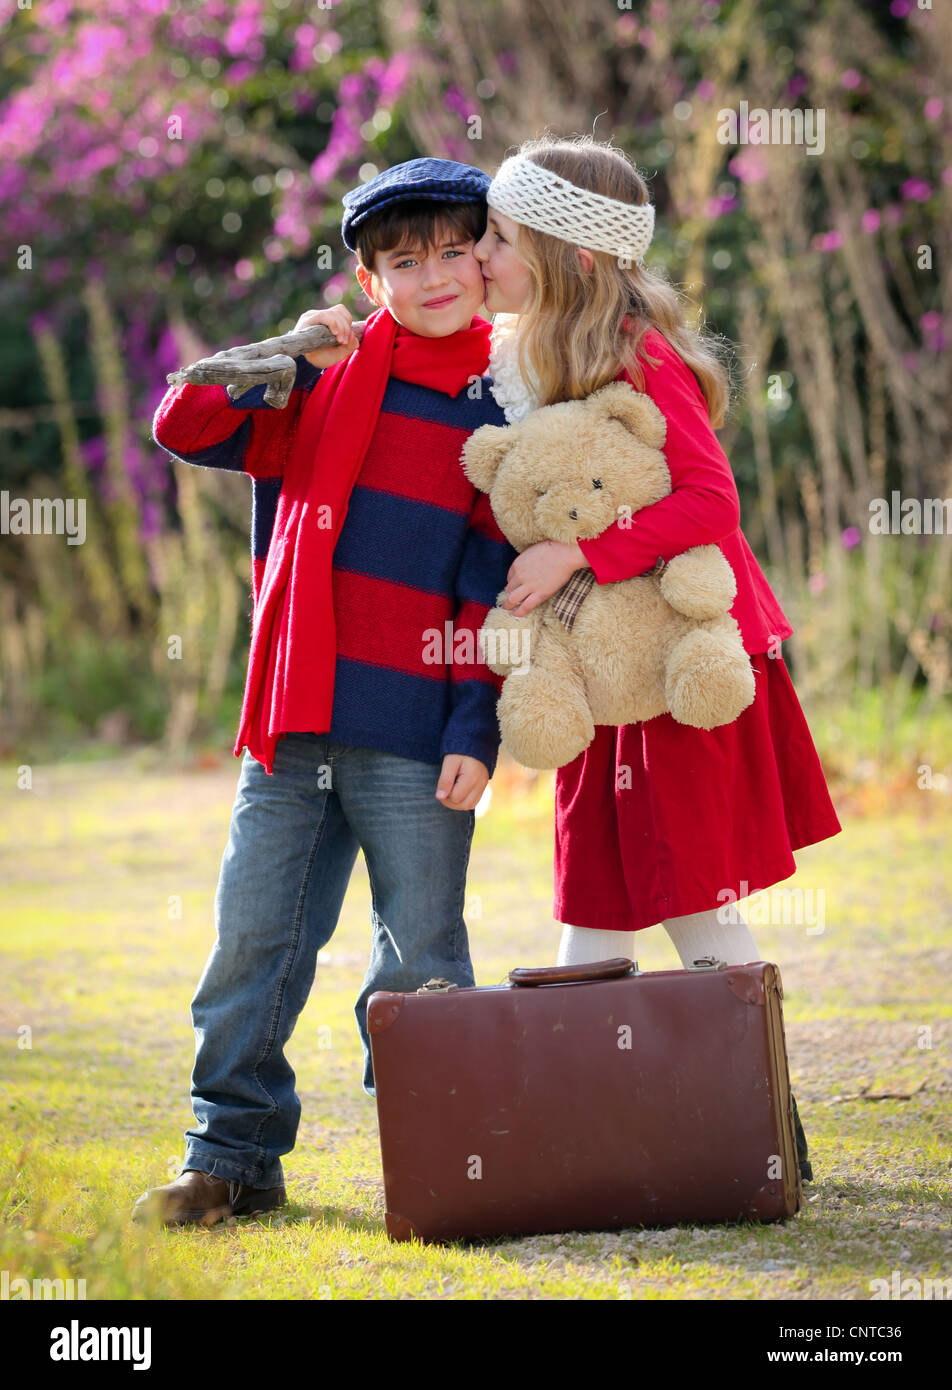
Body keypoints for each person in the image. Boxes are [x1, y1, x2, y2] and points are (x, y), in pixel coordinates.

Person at [133, 158, 517, 1226]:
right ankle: (232, 1159)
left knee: (423, 959)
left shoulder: (508, 401)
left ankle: (443, 1166)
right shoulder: (324, 377)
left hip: (416, 730)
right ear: (368, 274)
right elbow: (185, 426)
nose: (435, 275)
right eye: (405, 260)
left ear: (485, 259)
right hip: (293, 728)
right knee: (252, 948)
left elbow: (495, 590)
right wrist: (287, 349)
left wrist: (476, 729)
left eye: (454, 251)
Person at [473, 135, 842, 1183]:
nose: (481, 254)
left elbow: (707, 504)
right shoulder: (539, 356)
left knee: (687, 890)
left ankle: (764, 1122)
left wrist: (577, 551)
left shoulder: (638, 353)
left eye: (499, 238)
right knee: (592, 882)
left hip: (681, 670)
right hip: (609, 678)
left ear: (567, 256)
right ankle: (572, 1122)